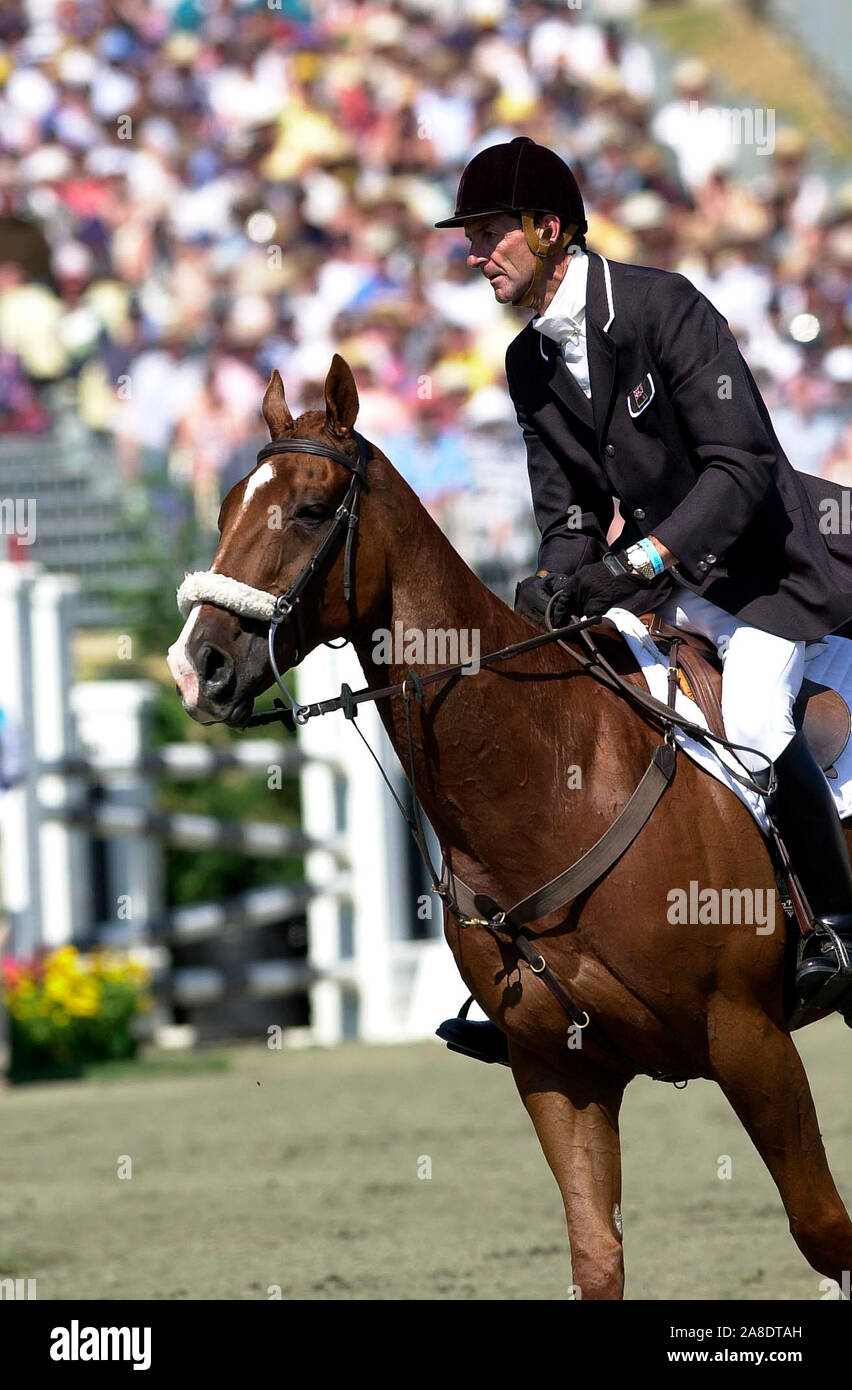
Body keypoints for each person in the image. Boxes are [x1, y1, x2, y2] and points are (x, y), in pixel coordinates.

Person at [433, 136, 852, 1064]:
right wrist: (559, 579)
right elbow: (574, 512)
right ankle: (545, 977)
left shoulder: (667, 308)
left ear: (549, 231)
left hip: (774, 572)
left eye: (490, 233)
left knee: (748, 711)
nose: (474, 252)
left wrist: (643, 559)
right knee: (564, 696)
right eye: (470, 236)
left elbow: (740, 468)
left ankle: (837, 925)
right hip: (682, 585)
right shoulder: (529, 365)